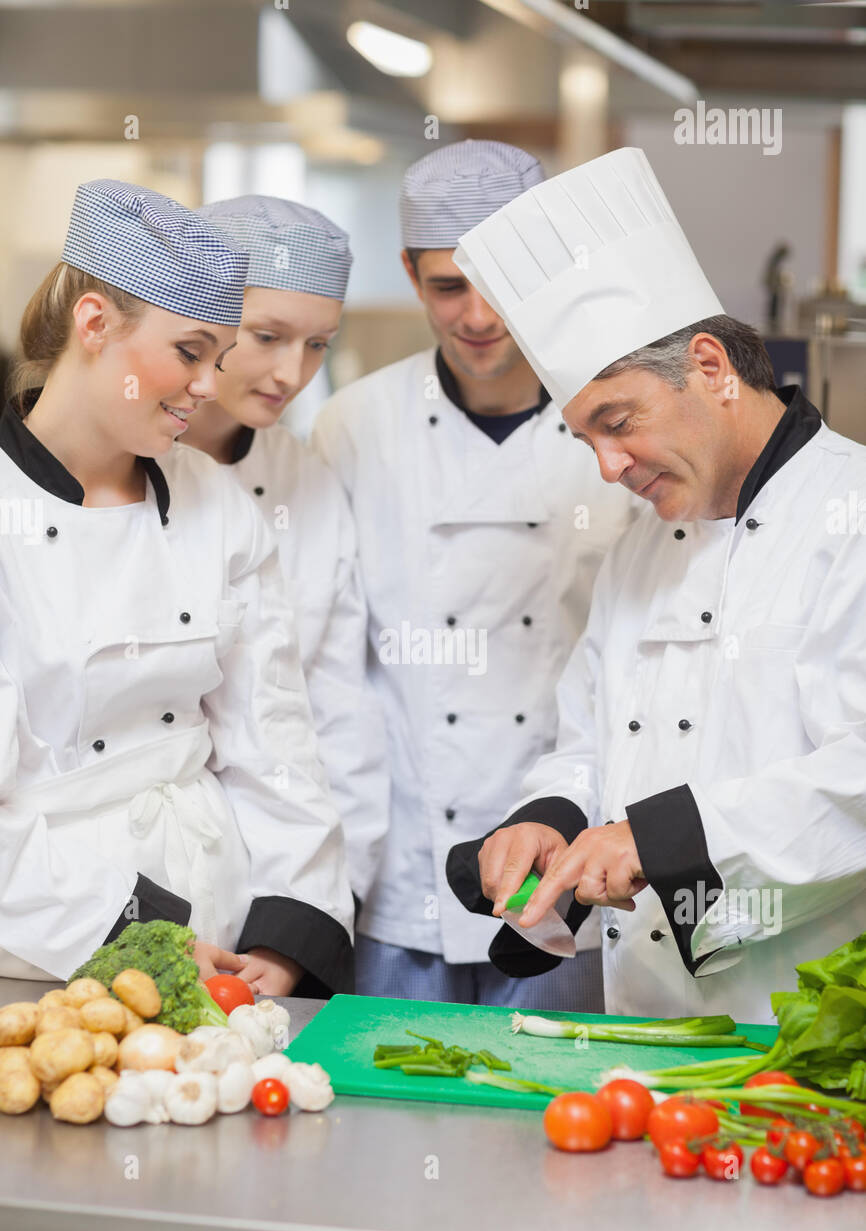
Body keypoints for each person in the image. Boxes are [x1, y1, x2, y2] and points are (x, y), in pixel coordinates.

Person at [447, 146, 866, 1023]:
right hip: (643, 1013)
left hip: (807, 1017)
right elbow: (592, 736)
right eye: (584, 438)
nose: (606, 467)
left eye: (619, 422)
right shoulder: (642, 546)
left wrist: (658, 842)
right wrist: (552, 818)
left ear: (711, 367)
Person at [0, 180, 353, 998]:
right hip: (47, 950)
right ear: (93, 324)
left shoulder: (217, 503)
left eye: (217, 359)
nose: (206, 384)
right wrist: (137, 931)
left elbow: (276, 739)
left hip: (218, 929)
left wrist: (286, 928)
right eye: (189, 351)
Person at [313, 140, 641, 1008]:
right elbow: (326, 667)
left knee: (544, 1124)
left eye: (499, 283)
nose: (477, 316)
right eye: (447, 285)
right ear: (409, 275)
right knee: (385, 1126)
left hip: (569, 858)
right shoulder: (354, 426)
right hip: (407, 861)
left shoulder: (620, 428)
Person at [166, 195, 387, 919]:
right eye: (267, 336)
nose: (293, 372)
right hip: (131, 882)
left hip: (285, 879)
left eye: (319, 344)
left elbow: (336, 710)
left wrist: (323, 908)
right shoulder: (114, 465)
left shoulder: (307, 483)